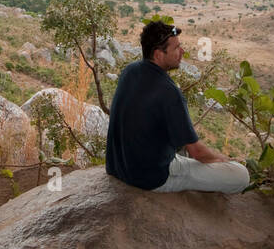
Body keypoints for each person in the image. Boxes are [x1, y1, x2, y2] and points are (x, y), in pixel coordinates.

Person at [105, 20, 250, 194]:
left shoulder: (130, 71)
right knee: (241, 175)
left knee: (183, 151)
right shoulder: (168, 91)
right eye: (176, 49)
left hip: (118, 167)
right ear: (158, 55)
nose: (182, 52)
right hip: (151, 177)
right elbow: (197, 152)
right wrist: (222, 159)